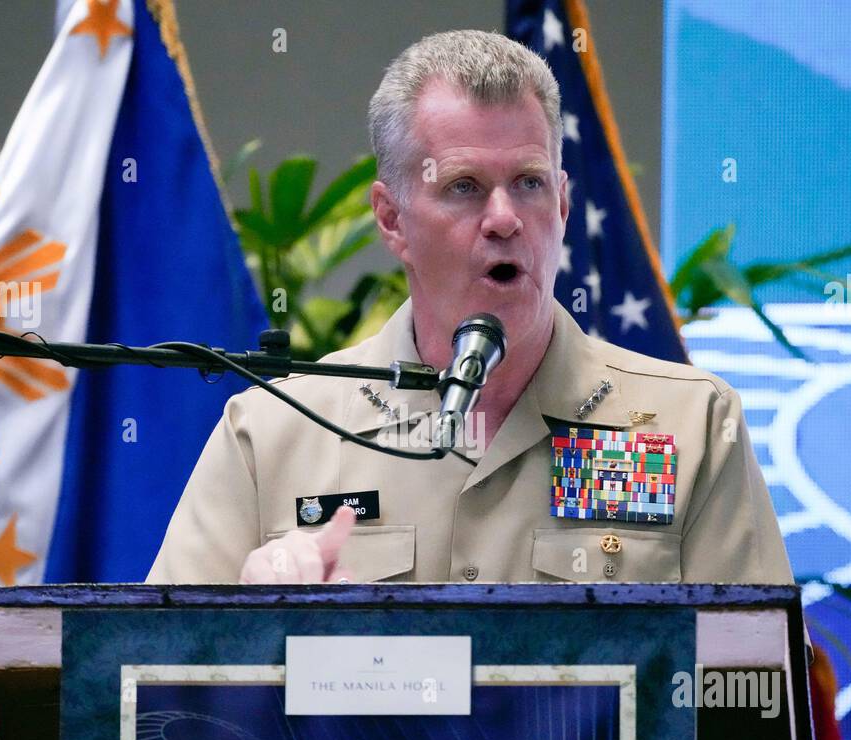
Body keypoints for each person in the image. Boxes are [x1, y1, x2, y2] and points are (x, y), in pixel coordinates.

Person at [147, 30, 792, 589]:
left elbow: (753, 695)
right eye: (464, 187)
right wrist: (251, 624)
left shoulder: (690, 427)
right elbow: (156, 683)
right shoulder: (277, 431)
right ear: (391, 218)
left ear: (564, 206)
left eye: (530, 183)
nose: (505, 219)